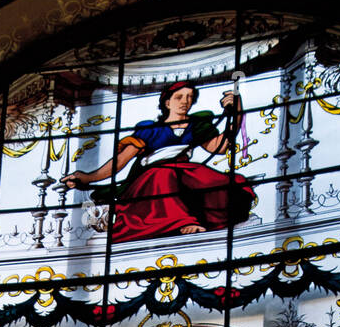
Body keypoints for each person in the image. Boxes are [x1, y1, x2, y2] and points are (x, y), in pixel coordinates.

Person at [64, 81, 255, 242]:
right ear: (167, 101)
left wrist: (236, 114)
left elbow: (220, 147)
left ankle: (201, 218)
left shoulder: (196, 125)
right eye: (179, 97)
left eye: (189, 97)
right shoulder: (150, 130)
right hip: (149, 179)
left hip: (185, 171)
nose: (185, 102)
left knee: (222, 182)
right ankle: (182, 222)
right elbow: (119, 162)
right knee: (164, 174)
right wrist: (87, 178)